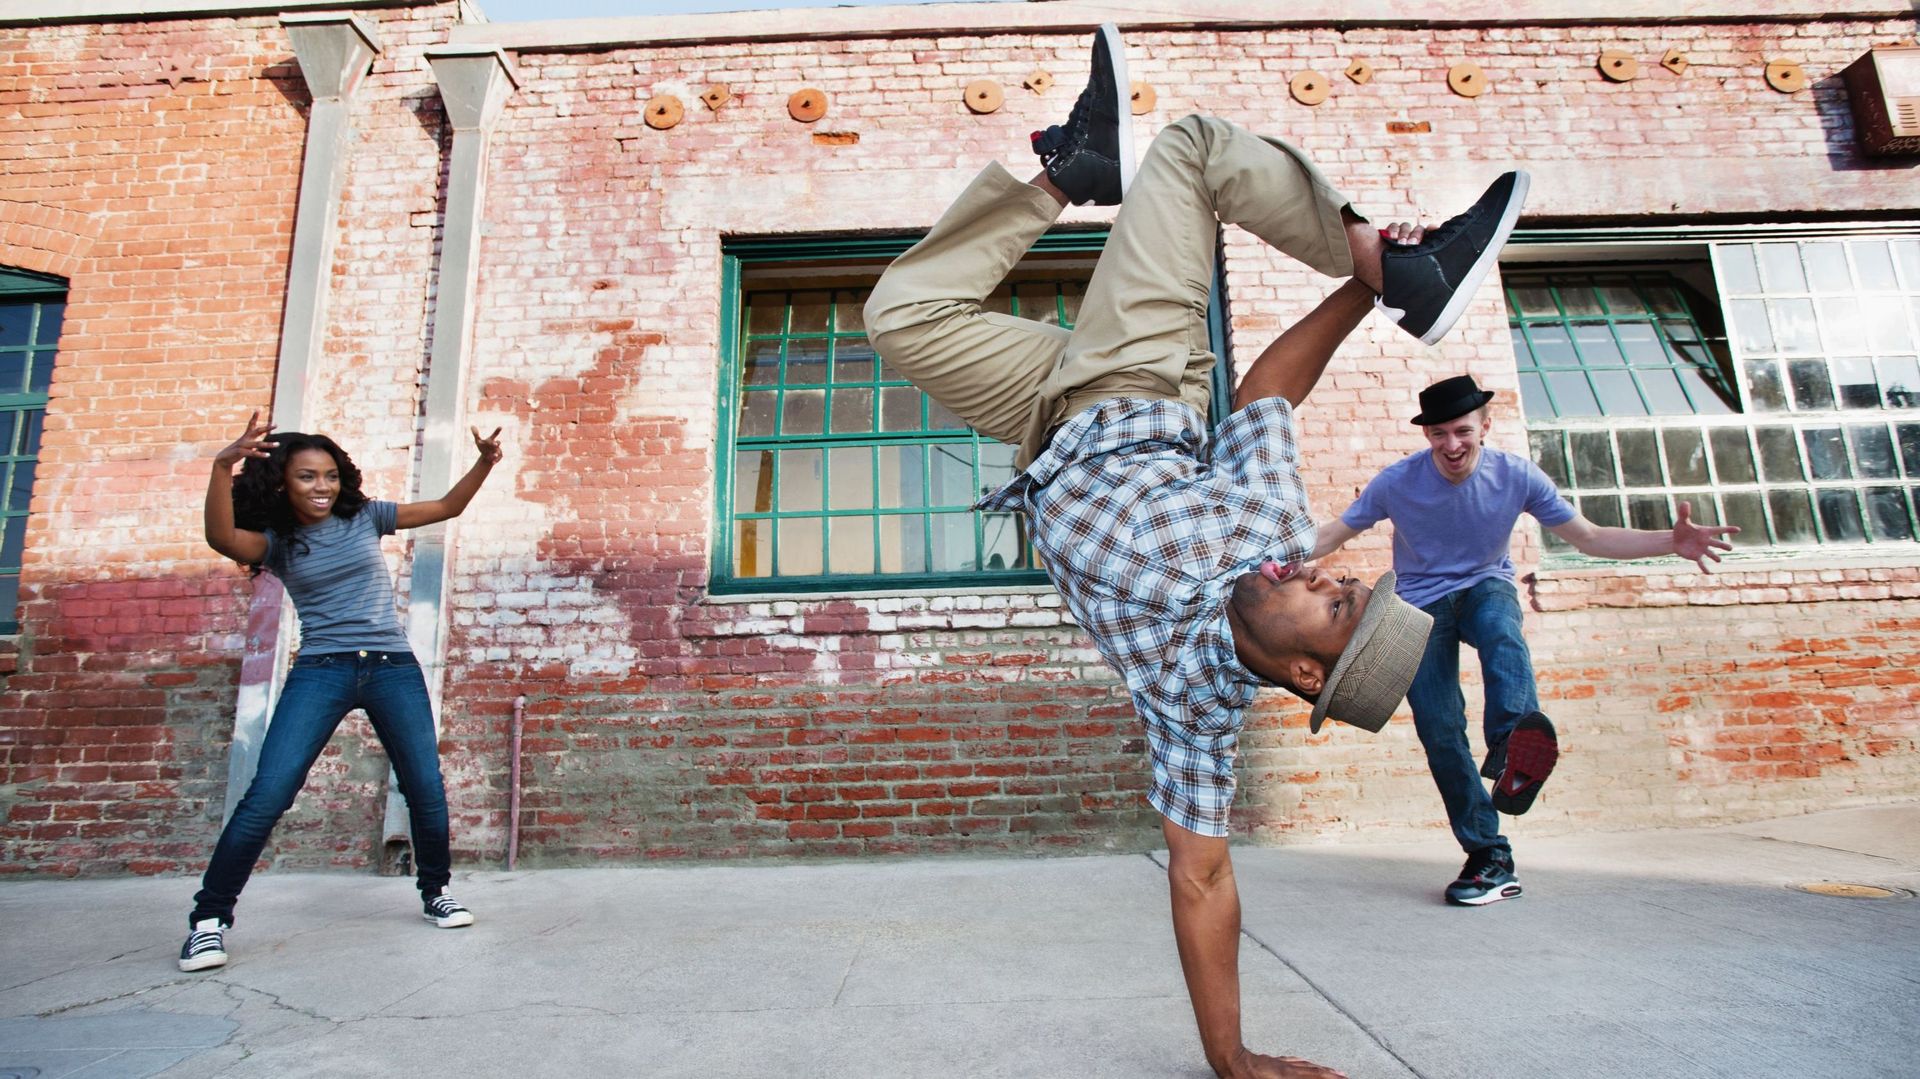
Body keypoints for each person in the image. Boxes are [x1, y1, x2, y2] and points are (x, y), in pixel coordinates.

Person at [864, 24, 1531, 1079]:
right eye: (1344, 582)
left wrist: (1233, 1058)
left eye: (1333, 605)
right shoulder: (1266, 535)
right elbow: (1267, 391)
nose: (1318, 571)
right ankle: (1405, 267)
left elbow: (1204, 878)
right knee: (1191, 150)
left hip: (1047, 419)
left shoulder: (1195, 710)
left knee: (899, 311)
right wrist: (1364, 290)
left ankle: (1072, 164)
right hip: (1135, 382)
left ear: (1308, 672)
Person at [1309, 374, 1738, 905]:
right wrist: (1280, 557)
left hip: (1485, 584)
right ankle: (1489, 856)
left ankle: (1515, 745)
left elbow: (1591, 537)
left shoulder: (1517, 476)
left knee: (1500, 631)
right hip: (1418, 606)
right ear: (1427, 437)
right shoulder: (1398, 482)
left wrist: (1669, 542)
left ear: (1485, 426)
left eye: (1462, 431)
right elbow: (1334, 533)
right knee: (1439, 731)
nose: (1451, 445)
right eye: (1438, 434)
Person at [179, 413, 503, 972]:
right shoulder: (277, 543)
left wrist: (484, 463)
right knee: (269, 794)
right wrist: (219, 465)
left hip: (392, 667)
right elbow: (221, 537)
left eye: (329, 474)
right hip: (322, 670)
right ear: (283, 482)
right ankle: (208, 922)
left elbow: (446, 508)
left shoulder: (365, 516)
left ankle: (436, 893)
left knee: (425, 786)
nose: (322, 486)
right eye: (307, 476)